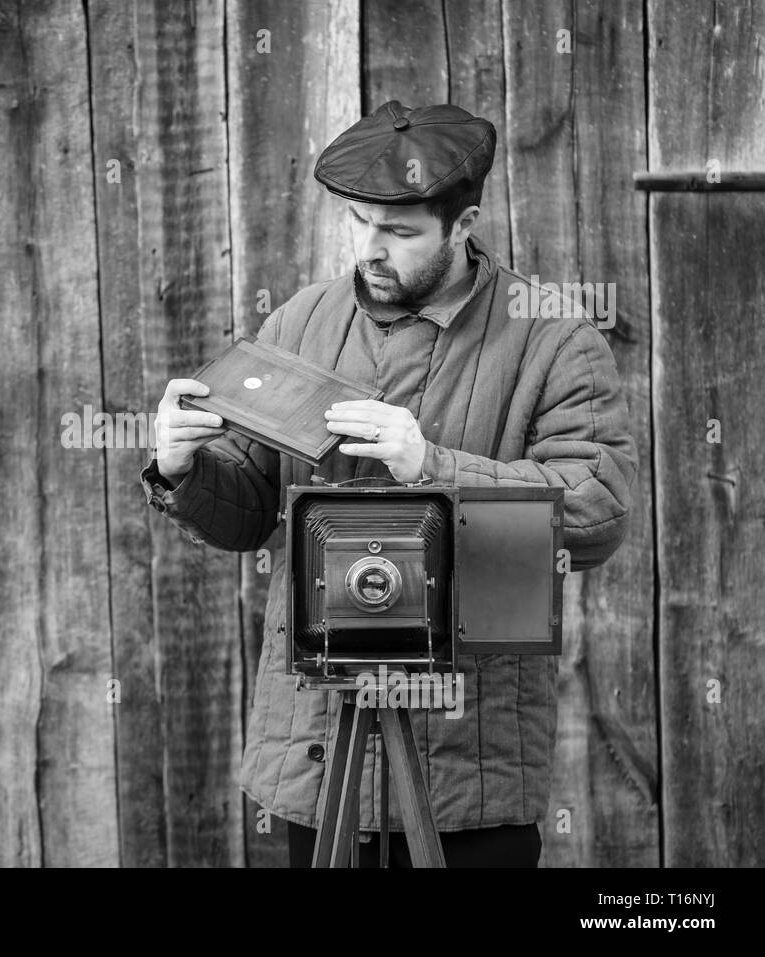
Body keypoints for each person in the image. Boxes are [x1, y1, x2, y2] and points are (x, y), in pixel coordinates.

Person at [138, 100, 639, 868]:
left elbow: (598, 512)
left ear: (463, 224)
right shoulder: (300, 321)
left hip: (468, 765)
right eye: (358, 222)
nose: (371, 249)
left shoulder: (554, 337)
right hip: (313, 753)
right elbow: (248, 513)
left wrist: (432, 466)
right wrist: (183, 467)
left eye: (400, 233)